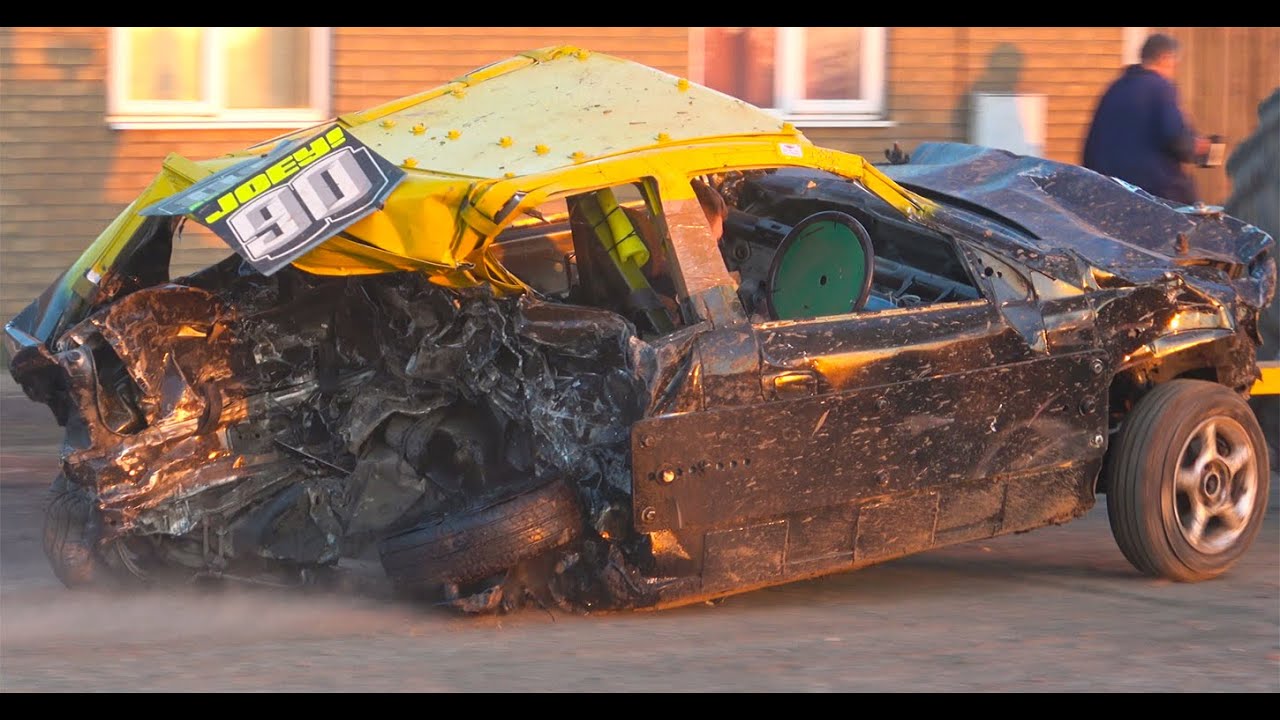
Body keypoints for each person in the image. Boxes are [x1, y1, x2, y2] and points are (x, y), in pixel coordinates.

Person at [1082, 33, 1210, 205]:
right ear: (1166, 58)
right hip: (1151, 190)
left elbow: (1092, 143)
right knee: (1194, 214)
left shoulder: (1115, 88)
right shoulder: (1160, 88)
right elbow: (1174, 137)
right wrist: (1195, 147)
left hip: (1106, 189)